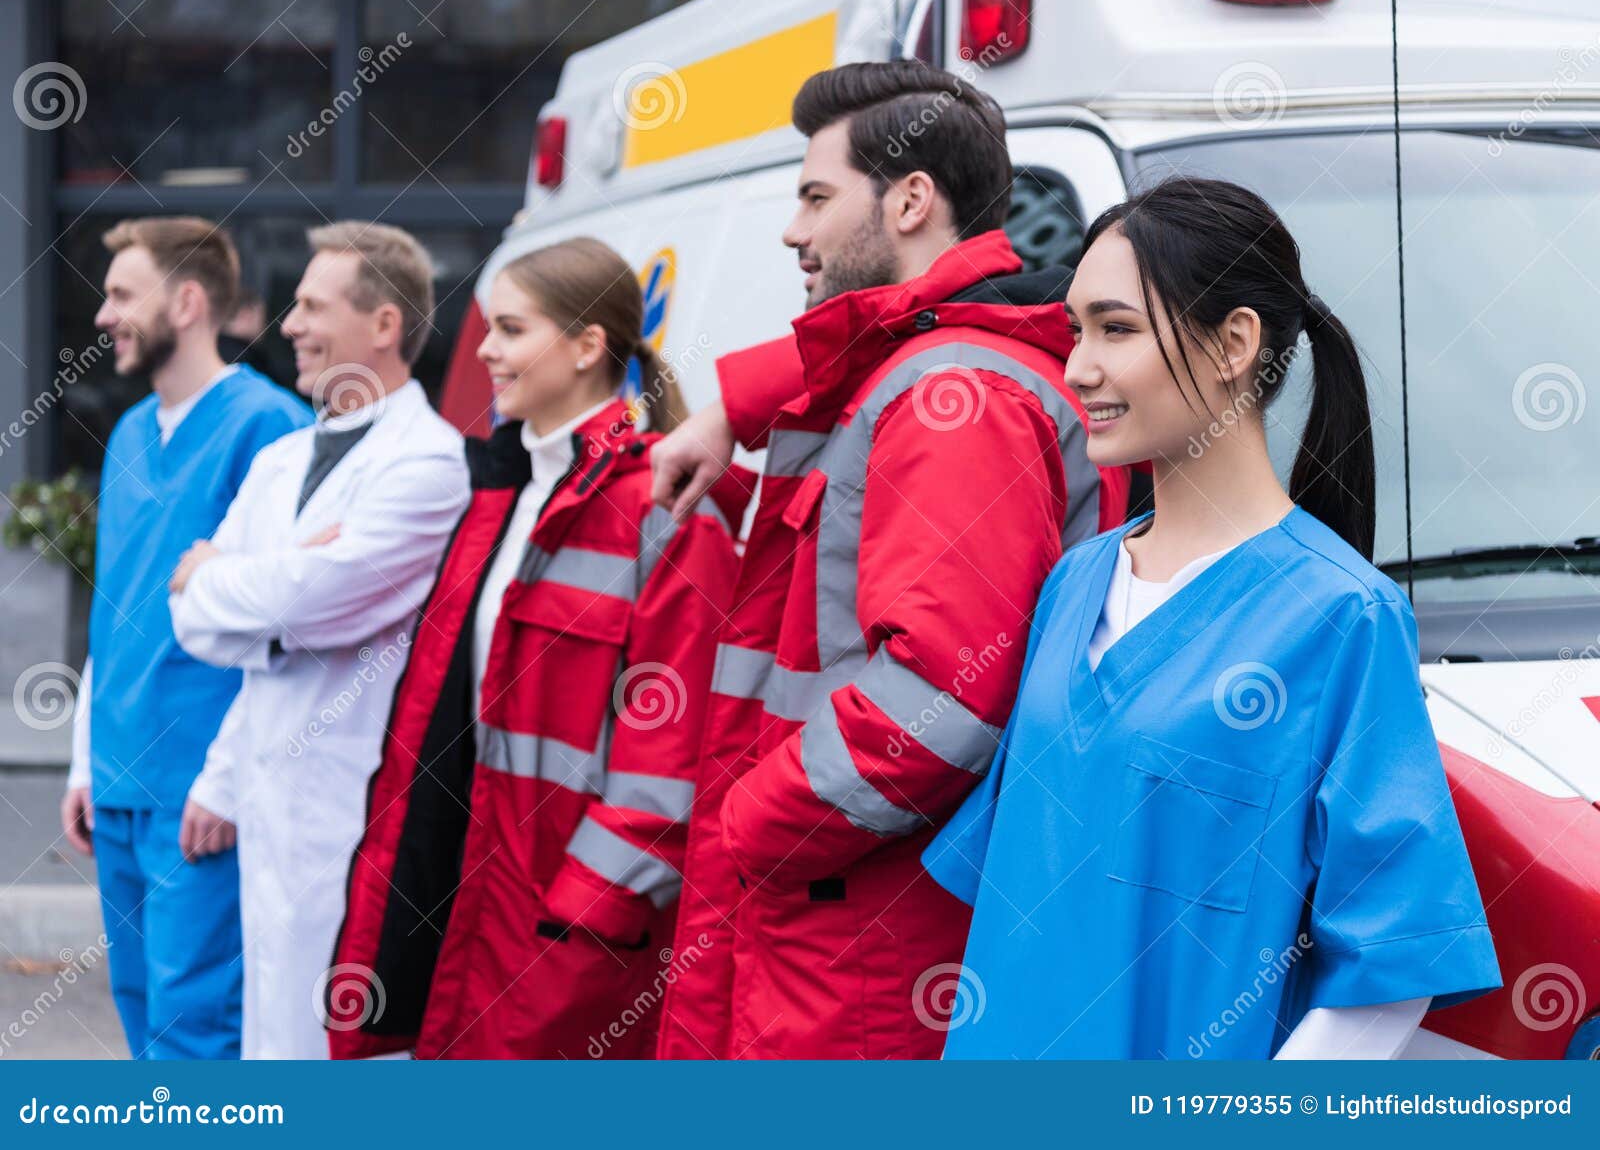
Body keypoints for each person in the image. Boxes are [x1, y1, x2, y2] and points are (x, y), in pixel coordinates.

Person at [923, 177, 1501, 1060]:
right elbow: (1016, 890)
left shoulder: (1343, 619)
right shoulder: (1074, 585)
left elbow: (1391, 966)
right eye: (1076, 329)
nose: (1078, 365)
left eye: (1116, 329)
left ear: (1235, 343)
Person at [649, 62, 1130, 1060]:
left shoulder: (948, 398)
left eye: (816, 197)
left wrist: (750, 823)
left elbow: (939, 702)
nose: (794, 231)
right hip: (853, 924)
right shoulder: (935, 367)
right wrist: (731, 414)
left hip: (858, 949)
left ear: (912, 199)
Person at [327, 237, 750, 1059]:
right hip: (474, 898)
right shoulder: (501, 493)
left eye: (512, 330)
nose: (484, 349)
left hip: (570, 936)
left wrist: (587, 915)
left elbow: (672, 757)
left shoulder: (665, 513)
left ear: (589, 346)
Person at [167, 222, 470, 1059]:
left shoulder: (430, 464)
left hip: (355, 807)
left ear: (383, 325)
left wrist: (227, 581)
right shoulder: (281, 459)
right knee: (269, 1032)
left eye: (311, 306)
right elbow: (191, 619)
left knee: (339, 1047)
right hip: (273, 797)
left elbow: (323, 596)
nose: (289, 326)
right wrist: (269, 600)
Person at [61, 216, 311, 1059]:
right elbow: (116, 604)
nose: (104, 316)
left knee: (196, 1028)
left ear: (190, 301)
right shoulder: (131, 434)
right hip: (122, 777)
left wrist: (229, 780)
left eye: (123, 295)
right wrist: (81, 760)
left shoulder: (269, 428)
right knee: (139, 1013)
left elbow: (285, 623)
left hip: (201, 787)